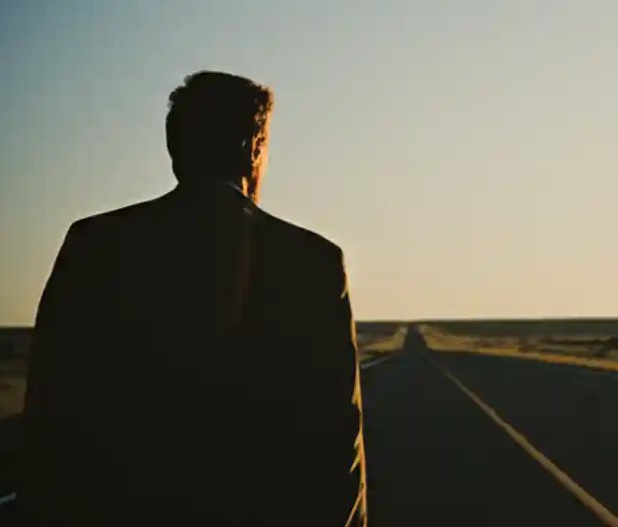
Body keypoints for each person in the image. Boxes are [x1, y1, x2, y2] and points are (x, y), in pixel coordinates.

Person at [21, 71, 368, 526]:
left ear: (175, 148)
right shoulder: (312, 262)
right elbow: (338, 445)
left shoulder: (95, 245)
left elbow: (48, 418)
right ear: (252, 147)